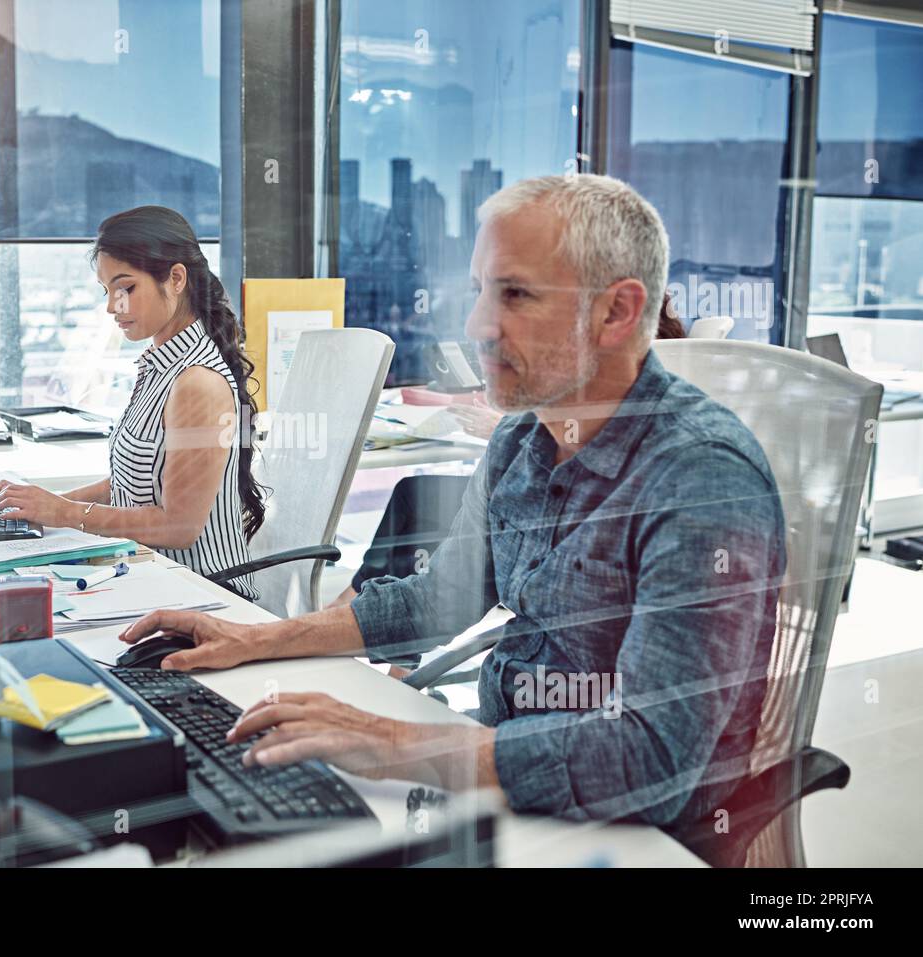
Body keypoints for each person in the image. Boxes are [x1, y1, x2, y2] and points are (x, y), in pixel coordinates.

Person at [119, 175, 787, 829]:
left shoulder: (700, 477)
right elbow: (441, 600)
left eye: (516, 294)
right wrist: (256, 638)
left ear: (616, 312)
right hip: (504, 778)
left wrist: (394, 744)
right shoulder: (526, 436)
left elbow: (650, 759)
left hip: (626, 832)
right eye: (479, 292)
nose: (476, 325)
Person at [329, 288, 690, 614]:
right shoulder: (665, 366)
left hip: (561, 511)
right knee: (415, 497)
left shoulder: (625, 372)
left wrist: (502, 429)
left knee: (419, 504)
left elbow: (598, 452)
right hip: (555, 502)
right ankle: (366, 610)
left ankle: (362, 610)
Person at [0, 206, 265, 599]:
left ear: (175, 279)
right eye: (107, 291)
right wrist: (39, 508)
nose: (111, 306)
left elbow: (178, 527)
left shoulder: (198, 383)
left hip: (205, 596)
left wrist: (63, 513)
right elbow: (131, 485)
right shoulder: (159, 367)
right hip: (152, 577)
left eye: (126, 288)